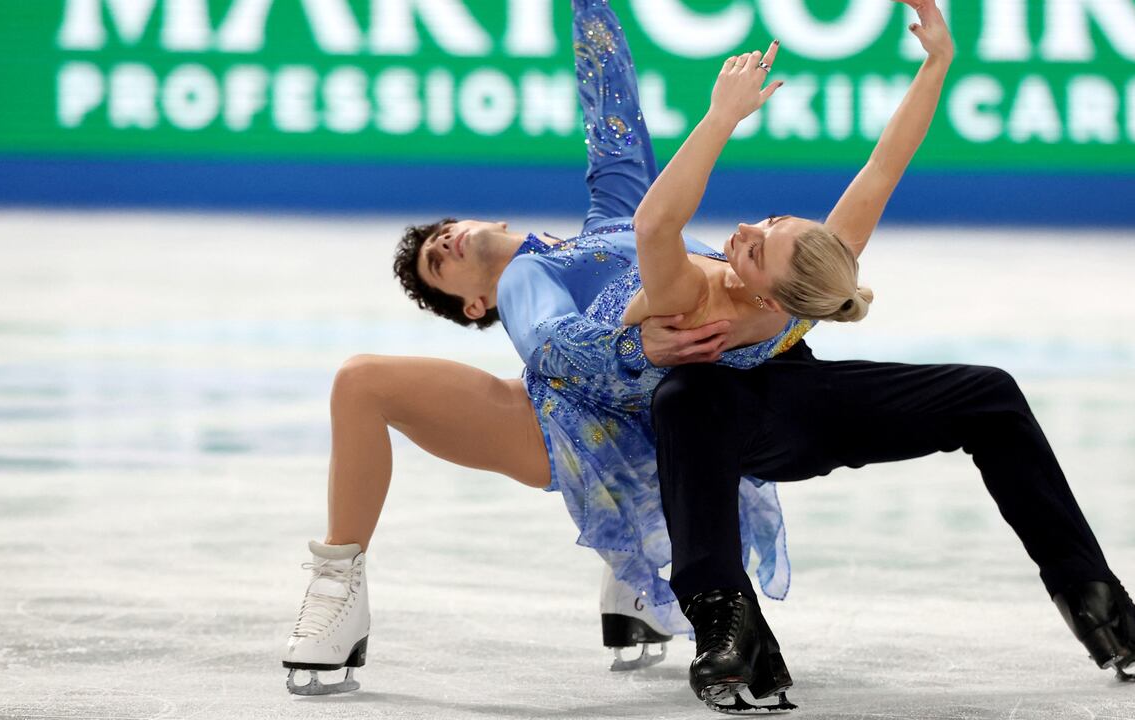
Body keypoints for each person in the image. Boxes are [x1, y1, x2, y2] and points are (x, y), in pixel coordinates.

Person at [650, 0, 1135, 713]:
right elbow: (875, 166)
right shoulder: (707, 286)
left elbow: (885, 163)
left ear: (778, 301)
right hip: (708, 420)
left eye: (760, 240)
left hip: (799, 408)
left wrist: (939, 62)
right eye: (766, 223)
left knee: (989, 394)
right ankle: (727, 628)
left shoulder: (806, 281)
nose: (743, 227)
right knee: (687, 398)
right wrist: (935, 61)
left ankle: (1092, 596)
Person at [281, 0, 805, 696]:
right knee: (359, 380)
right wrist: (634, 346)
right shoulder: (524, 280)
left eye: (445, 233)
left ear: (488, 217)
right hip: (570, 430)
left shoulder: (617, 216)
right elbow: (554, 347)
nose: (448, 244)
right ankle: (337, 592)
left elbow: (611, 107)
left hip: (695, 409)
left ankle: (634, 575)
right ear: (475, 304)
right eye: (442, 264)